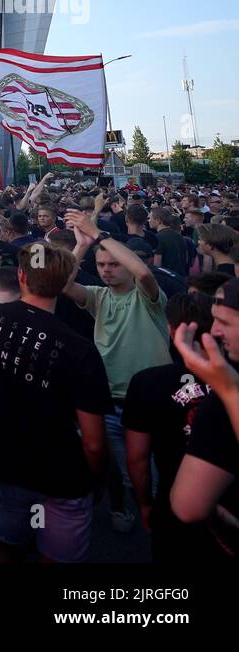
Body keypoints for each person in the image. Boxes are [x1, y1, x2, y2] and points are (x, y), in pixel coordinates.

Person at [0, 243, 111, 562]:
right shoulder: (80, 349)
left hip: (2, 462)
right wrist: (97, 479)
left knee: (5, 544)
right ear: (63, 285)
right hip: (61, 474)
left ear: (21, 277)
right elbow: (95, 442)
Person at [62, 209, 171, 531]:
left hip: (150, 400)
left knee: (153, 464)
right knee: (111, 463)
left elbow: (144, 273)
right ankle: (124, 506)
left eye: (113, 264)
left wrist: (100, 234)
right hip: (109, 397)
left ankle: (157, 513)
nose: (106, 271)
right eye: (101, 265)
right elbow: (64, 283)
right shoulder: (98, 297)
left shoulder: (148, 297)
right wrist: (82, 246)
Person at [123, 292, 223, 560]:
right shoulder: (233, 378)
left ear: (170, 328)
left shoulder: (147, 383)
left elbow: (137, 458)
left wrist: (145, 503)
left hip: (173, 504)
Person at [169, 277, 239, 558]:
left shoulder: (222, 402)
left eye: (227, 323)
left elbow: (188, 506)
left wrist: (227, 390)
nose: (216, 331)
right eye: (214, 320)